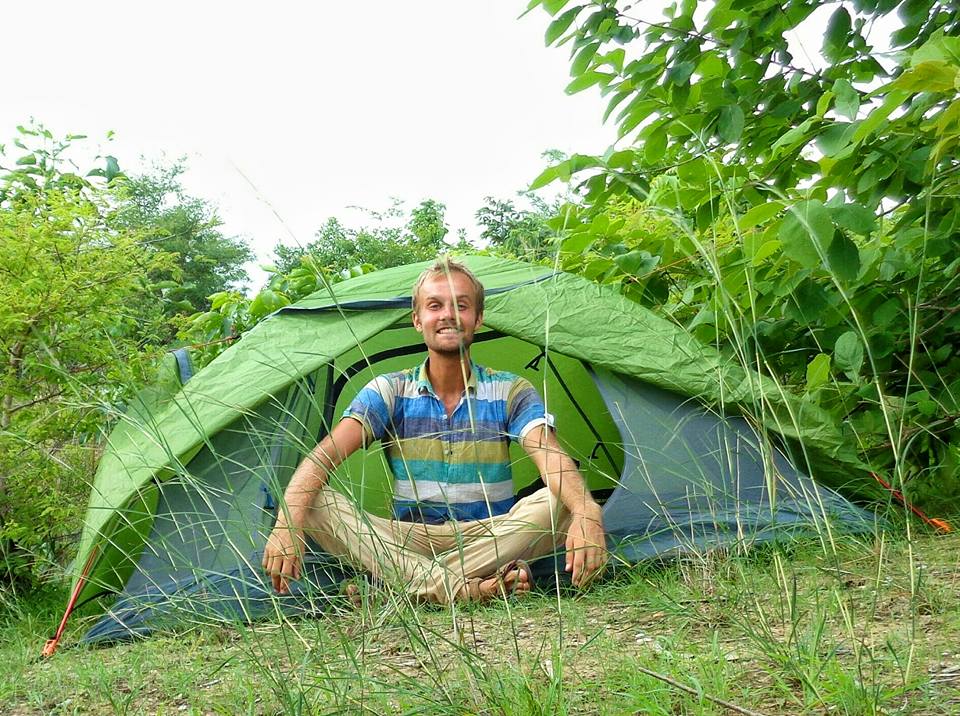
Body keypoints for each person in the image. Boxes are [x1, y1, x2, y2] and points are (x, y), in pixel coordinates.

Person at [262, 257, 606, 603]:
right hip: (406, 537)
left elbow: (548, 454)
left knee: (563, 499)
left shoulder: (510, 389)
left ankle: (403, 585)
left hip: (489, 536)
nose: (448, 315)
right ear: (417, 320)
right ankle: (468, 588)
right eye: (435, 305)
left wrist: (586, 513)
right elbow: (323, 457)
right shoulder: (390, 390)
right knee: (316, 502)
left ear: (478, 318)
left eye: (462, 305)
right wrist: (286, 524)